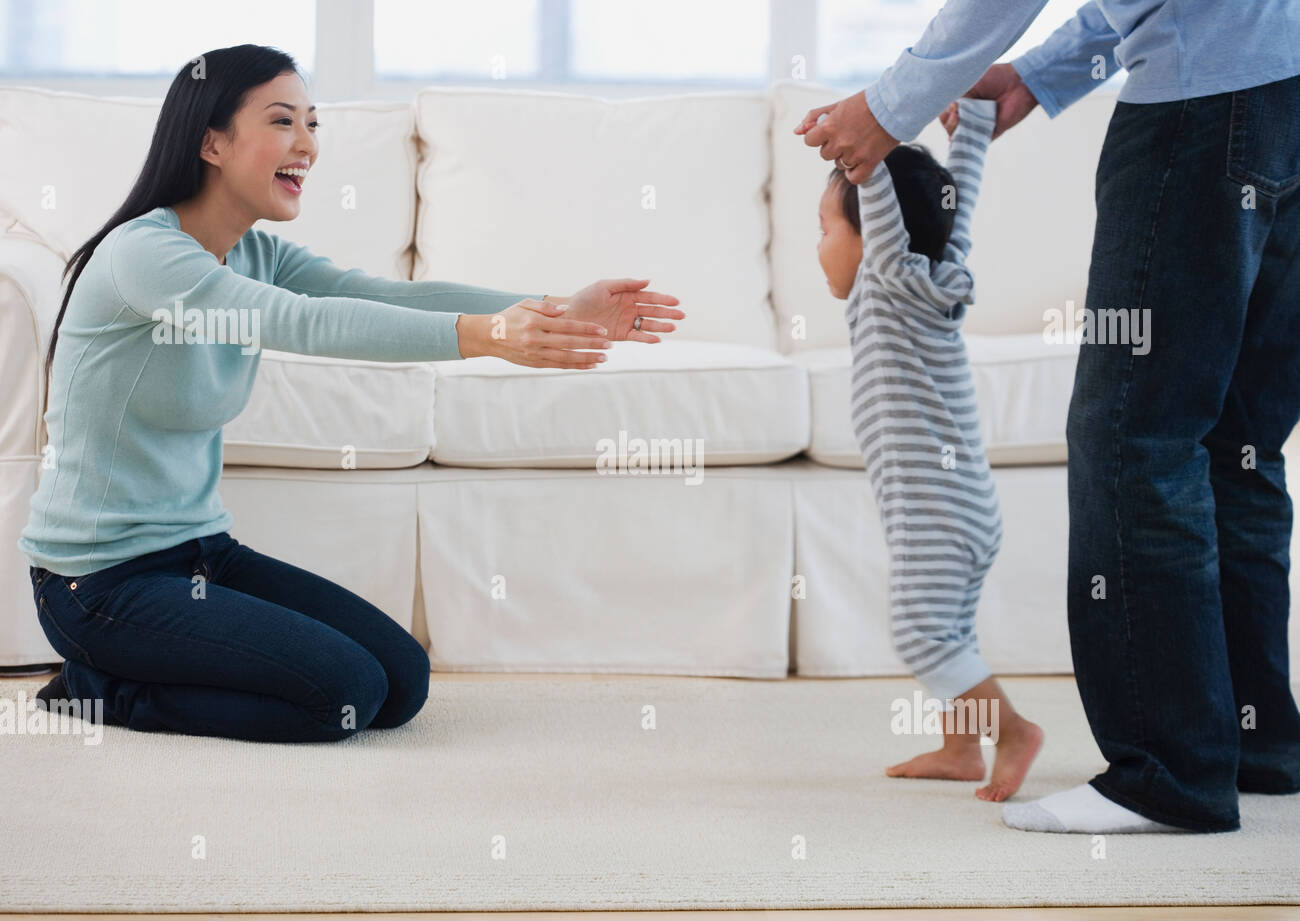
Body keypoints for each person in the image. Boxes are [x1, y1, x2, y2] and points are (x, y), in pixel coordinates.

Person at [18, 44, 684, 743]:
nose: (306, 144)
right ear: (211, 141)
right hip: (96, 586)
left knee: (400, 681)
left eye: (313, 123)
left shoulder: (254, 251)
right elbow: (303, 321)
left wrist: (554, 307)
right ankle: (101, 691)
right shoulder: (144, 256)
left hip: (201, 554)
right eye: (283, 122)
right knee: (342, 694)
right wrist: (488, 336)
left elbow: (381, 296)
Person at [798, 0, 1300, 833]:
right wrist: (1040, 72)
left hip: (1203, 109)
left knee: (1135, 440)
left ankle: (1167, 775)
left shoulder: (895, 276)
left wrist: (891, 108)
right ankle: (1254, 745)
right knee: (1233, 443)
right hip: (1284, 88)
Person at [817, 96, 1042, 800]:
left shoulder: (888, 279)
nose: (818, 247)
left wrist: (866, 154)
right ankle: (959, 748)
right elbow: (956, 207)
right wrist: (972, 129)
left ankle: (1012, 731)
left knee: (921, 632)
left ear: (871, 230)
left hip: (936, 511)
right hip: (966, 508)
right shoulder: (937, 272)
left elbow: (885, 201)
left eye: (825, 229)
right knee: (948, 625)